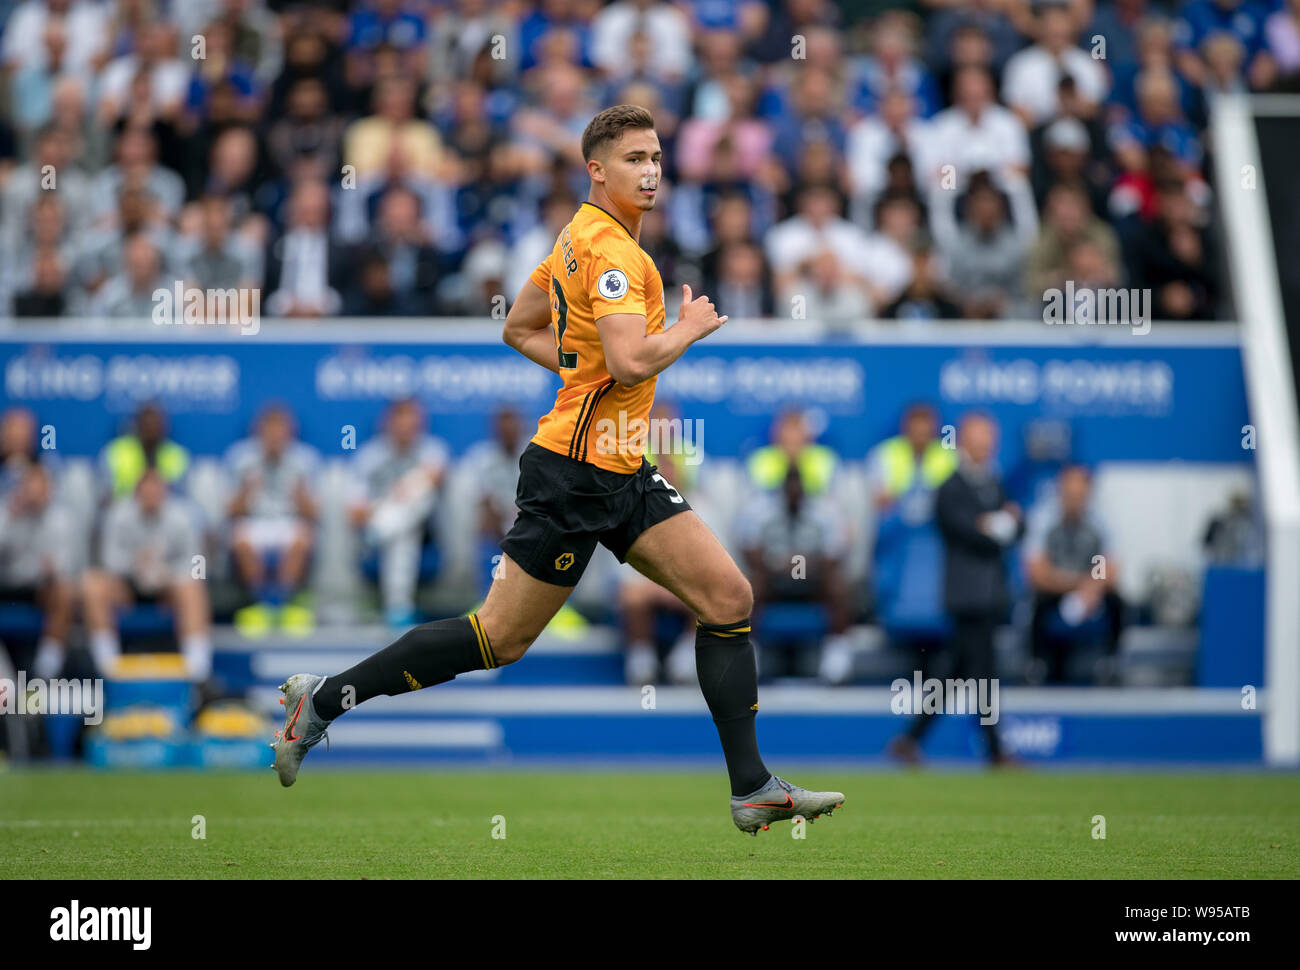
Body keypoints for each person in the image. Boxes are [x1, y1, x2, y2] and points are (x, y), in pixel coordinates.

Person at [270, 104, 844, 834]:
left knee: (728, 598)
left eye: (658, 157)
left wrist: (585, 370)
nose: (653, 171)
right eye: (636, 158)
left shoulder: (577, 236)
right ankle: (320, 702)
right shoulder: (609, 253)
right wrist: (687, 331)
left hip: (622, 467)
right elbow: (633, 358)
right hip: (573, 475)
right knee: (496, 640)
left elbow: (519, 328)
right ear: (597, 169)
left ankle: (752, 788)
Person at [889, 412, 1020, 766]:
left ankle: (910, 740)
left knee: (957, 672)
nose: (985, 446)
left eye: (989, 439)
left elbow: (1011, 526)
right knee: (983, 673)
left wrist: (998, 524)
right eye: (979, 439)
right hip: (966, 594)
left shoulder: (993, 483)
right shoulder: (951, 486)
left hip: (990, 591)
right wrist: (996, 524)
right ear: (964, 441)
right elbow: (967, 531)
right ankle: (995, 751)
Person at [82, 469, 212, 680]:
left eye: (156, 491)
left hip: (167, 587)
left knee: (193, 588)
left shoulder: (182, 517)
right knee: (93, 584)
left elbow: (196, 563)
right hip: (127, 587)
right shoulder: (118, 515)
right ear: (137, 493)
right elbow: (109, 559)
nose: (151, 496)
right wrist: (138, 567)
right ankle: (106, 666)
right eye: (146, 491)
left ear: (165, 493)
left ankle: (199, 672)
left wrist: (162, 572)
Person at [348, 398, 449, 627]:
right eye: (400, 421)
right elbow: (354, 512)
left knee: (421, 493)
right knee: (404, 534)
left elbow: (434, 478)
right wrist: (387, 503)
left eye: (412, 422)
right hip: (379, 525)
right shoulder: (368, 456)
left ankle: (386, 526)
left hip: (424, 531)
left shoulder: (432, 448)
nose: (406, 429)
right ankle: (399, 608)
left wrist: (401, 494)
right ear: (388, 423)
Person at [1025, 465, 1124, 684]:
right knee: (1036, 604)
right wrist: (1076, 583)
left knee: (1118, 602)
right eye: (1069, 494)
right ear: (1060, 492)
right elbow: (1037, 572)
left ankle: (1111, 661)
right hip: (1055, 589)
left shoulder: (1101, 521)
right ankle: (1037, 663)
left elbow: (1108, 567)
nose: (1074, 501)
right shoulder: (1043, 519)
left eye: (1080, 495)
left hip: (1090, 590)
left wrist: (1091, 587)